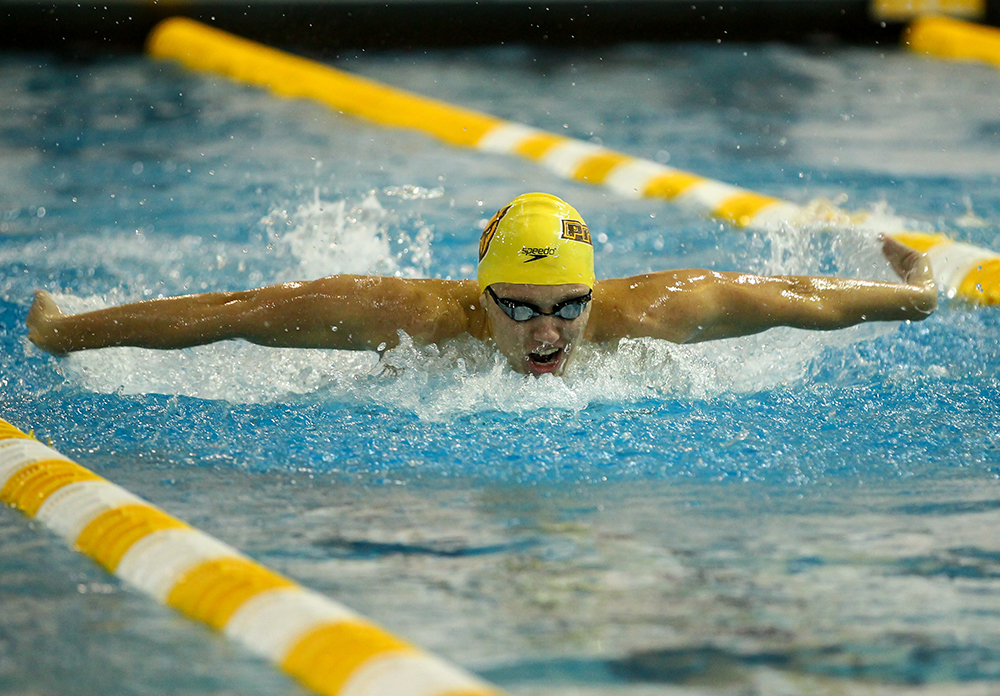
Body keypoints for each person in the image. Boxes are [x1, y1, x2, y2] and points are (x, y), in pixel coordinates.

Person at [27, 192, 937, 377]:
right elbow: (232, 315)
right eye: (524, 309)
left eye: (570, 307)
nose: (551, 334)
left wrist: (920, 290)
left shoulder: (656, 312)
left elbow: (808, 300)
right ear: (482, 295)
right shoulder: (408, 317)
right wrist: (65, 332)